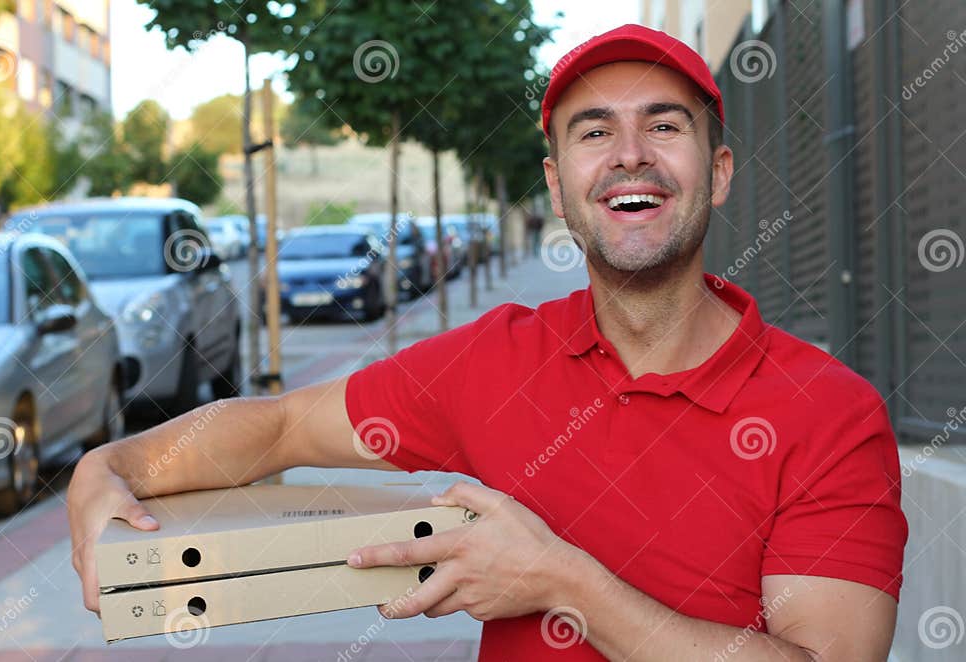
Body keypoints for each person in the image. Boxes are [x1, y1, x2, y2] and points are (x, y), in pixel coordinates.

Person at [69, 24, 907, 661]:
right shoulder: (496, 361)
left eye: (663, 126)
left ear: (719, 171)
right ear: (558, 187)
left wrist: (561, 579)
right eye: (592, 133)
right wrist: (113, 467)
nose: (627, 156)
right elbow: (283, 427)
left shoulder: (828, 415)